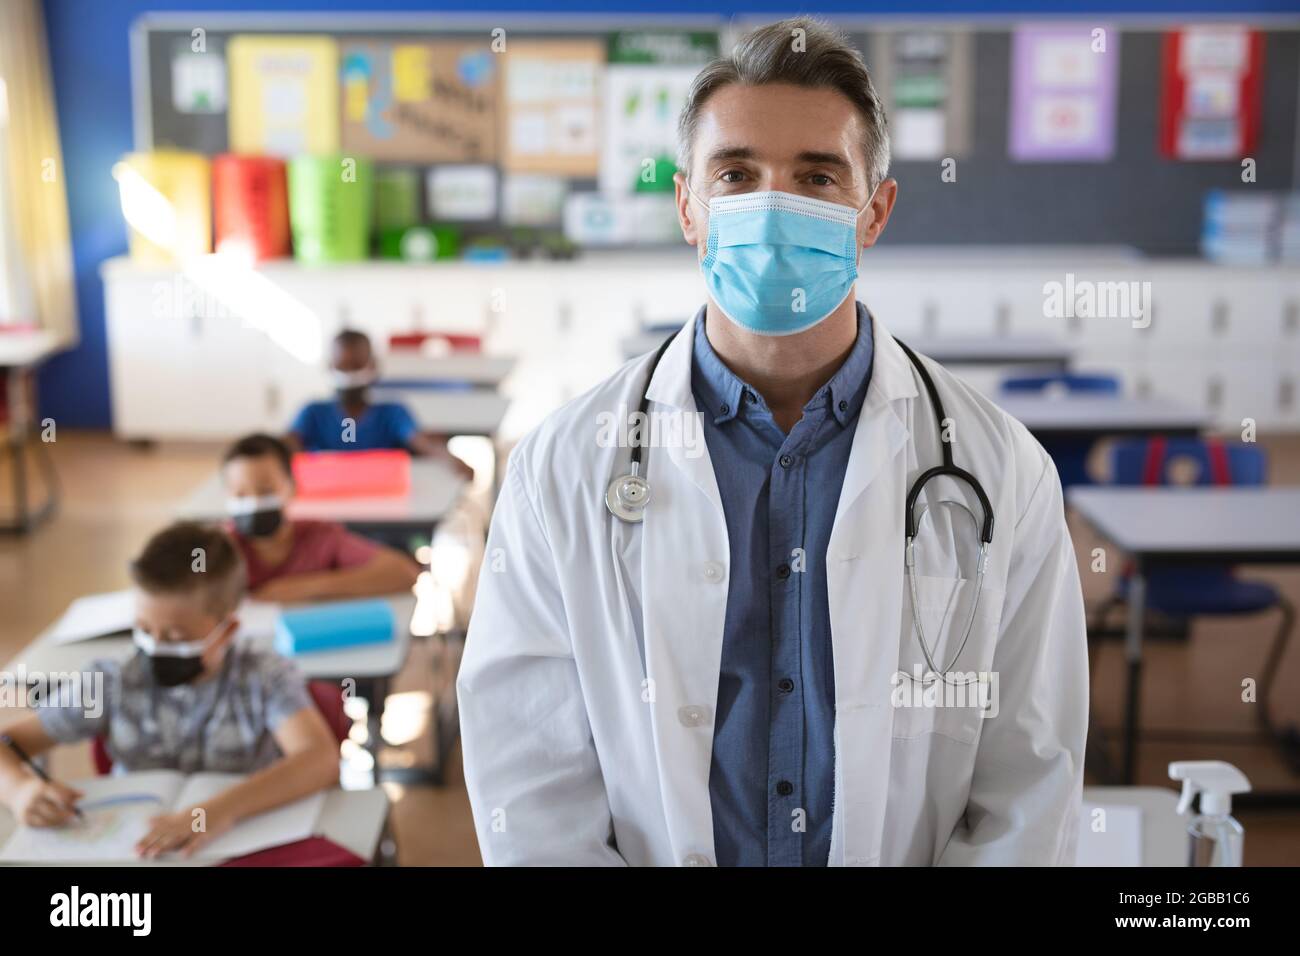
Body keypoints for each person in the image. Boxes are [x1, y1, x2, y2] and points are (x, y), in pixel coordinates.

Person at [458, 17, 1088, 867]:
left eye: (817, 177)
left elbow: (1030, 779)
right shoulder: (563, 467)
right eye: (737, 174)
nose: (771, 205)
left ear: (875, 213)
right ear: (689, 206)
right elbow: (527, 781)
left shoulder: (1000, 469)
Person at [0, 523, 340, 858]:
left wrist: (216, 812)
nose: (154, 646)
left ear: (227, 630)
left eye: (176, 637)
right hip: (136, 850)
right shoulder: (110, 680)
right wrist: (19, 790)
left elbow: (319, 759)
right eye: (144, 630)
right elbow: (6, 743)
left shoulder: (264, 676)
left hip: (240, 847)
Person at [221, 432, 419, 603]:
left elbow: (403, 573)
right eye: (241, 495)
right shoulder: (221, 546)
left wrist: (303, 587)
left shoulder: (321, 537)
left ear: (292, 487)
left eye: (266, 490)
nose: (254, 502)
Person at [288, 328, 472, 480]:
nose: (349, 374)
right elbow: (286, 445)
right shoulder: (312, 413)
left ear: (373, 366)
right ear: (330, 367)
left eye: (356, 366)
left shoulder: (392, 413)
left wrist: (449, 459)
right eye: (342, 367)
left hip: (386, 508)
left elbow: (422, 442)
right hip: (323, 506)